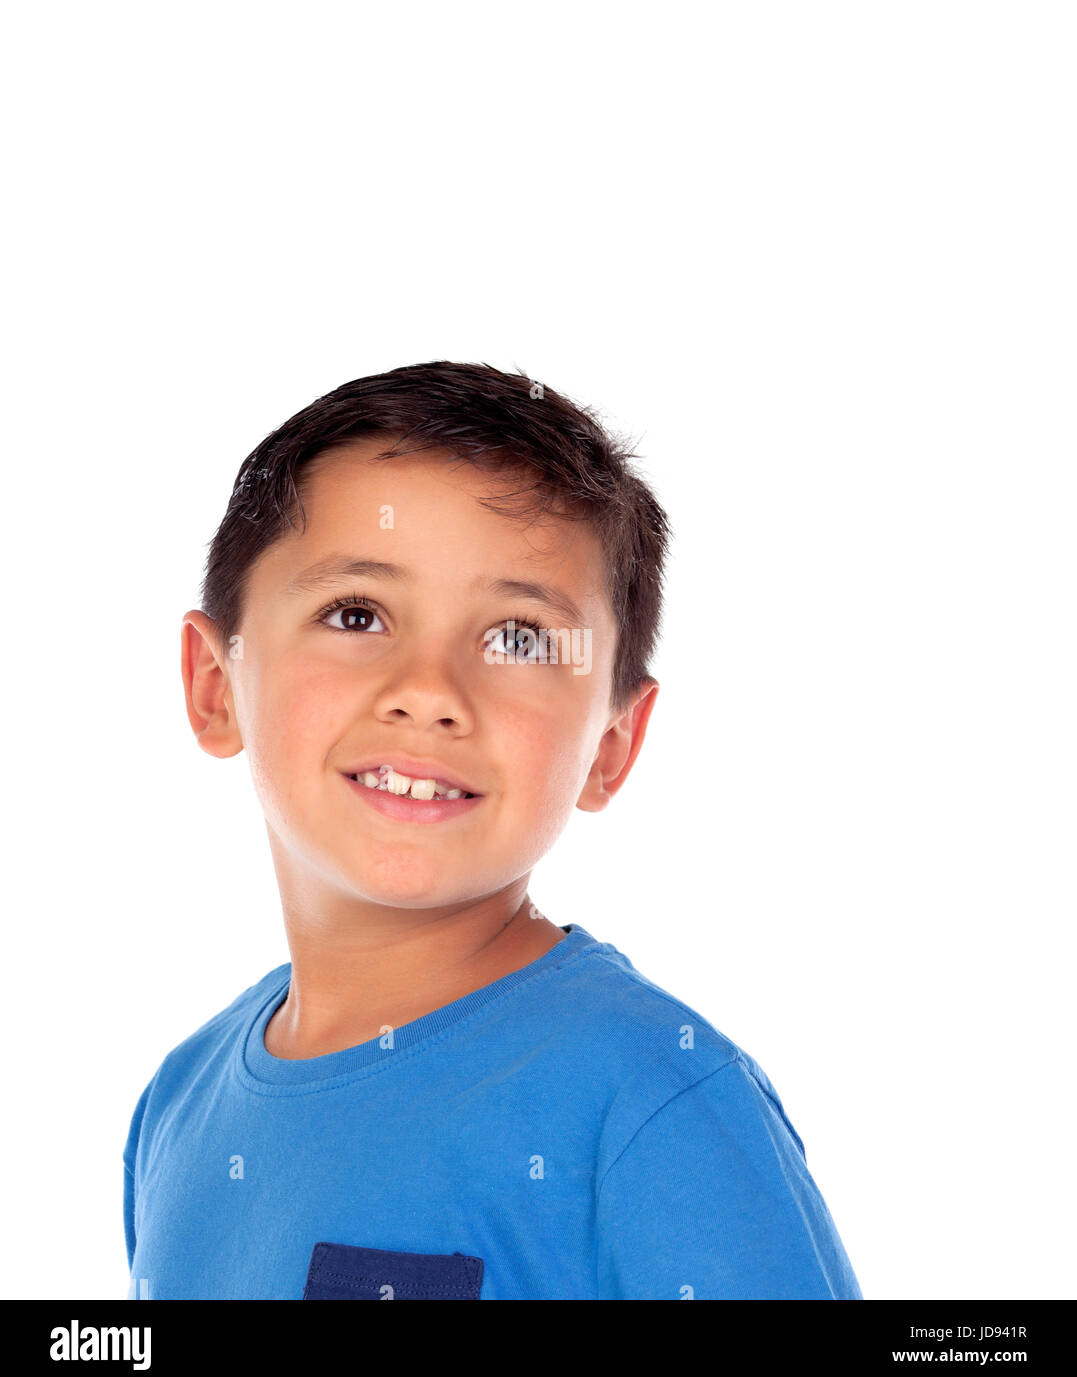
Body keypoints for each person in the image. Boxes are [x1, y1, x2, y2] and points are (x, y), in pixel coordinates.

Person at [122, 360, 862, 1300]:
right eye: (357, 613)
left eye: (517, 637)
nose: (430, 692)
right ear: (214, 683)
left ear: (610, 745)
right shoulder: (178, 1110)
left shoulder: (653, 1105)